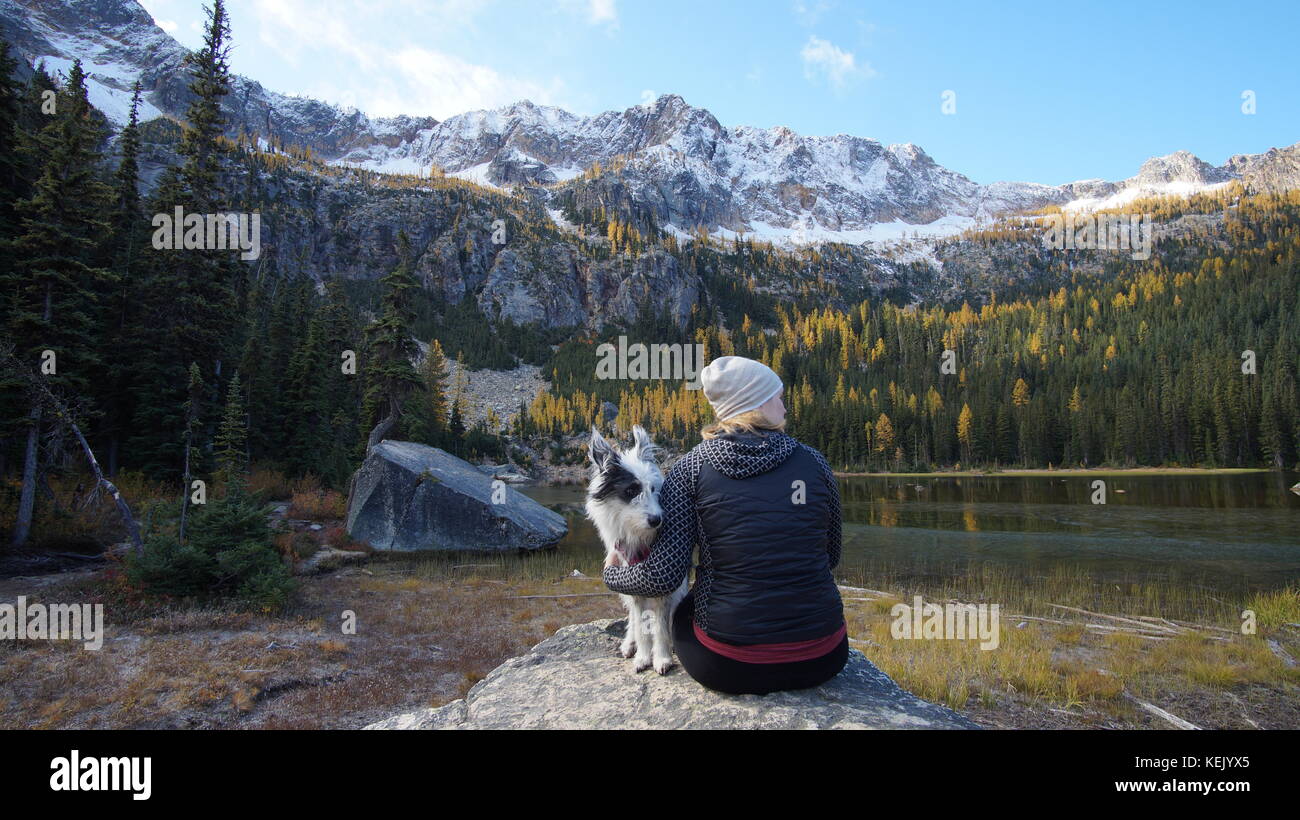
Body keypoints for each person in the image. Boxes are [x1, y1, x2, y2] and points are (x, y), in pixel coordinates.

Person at [602, 355, 847, 695]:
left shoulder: (691, 468)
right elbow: (831, 555)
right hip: (824, 655)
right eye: (777, 396)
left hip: (728, 666)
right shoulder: (815, 462)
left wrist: (612, 574)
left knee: (687, 610)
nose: (785, 406)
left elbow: (662, 577)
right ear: (755, 403)